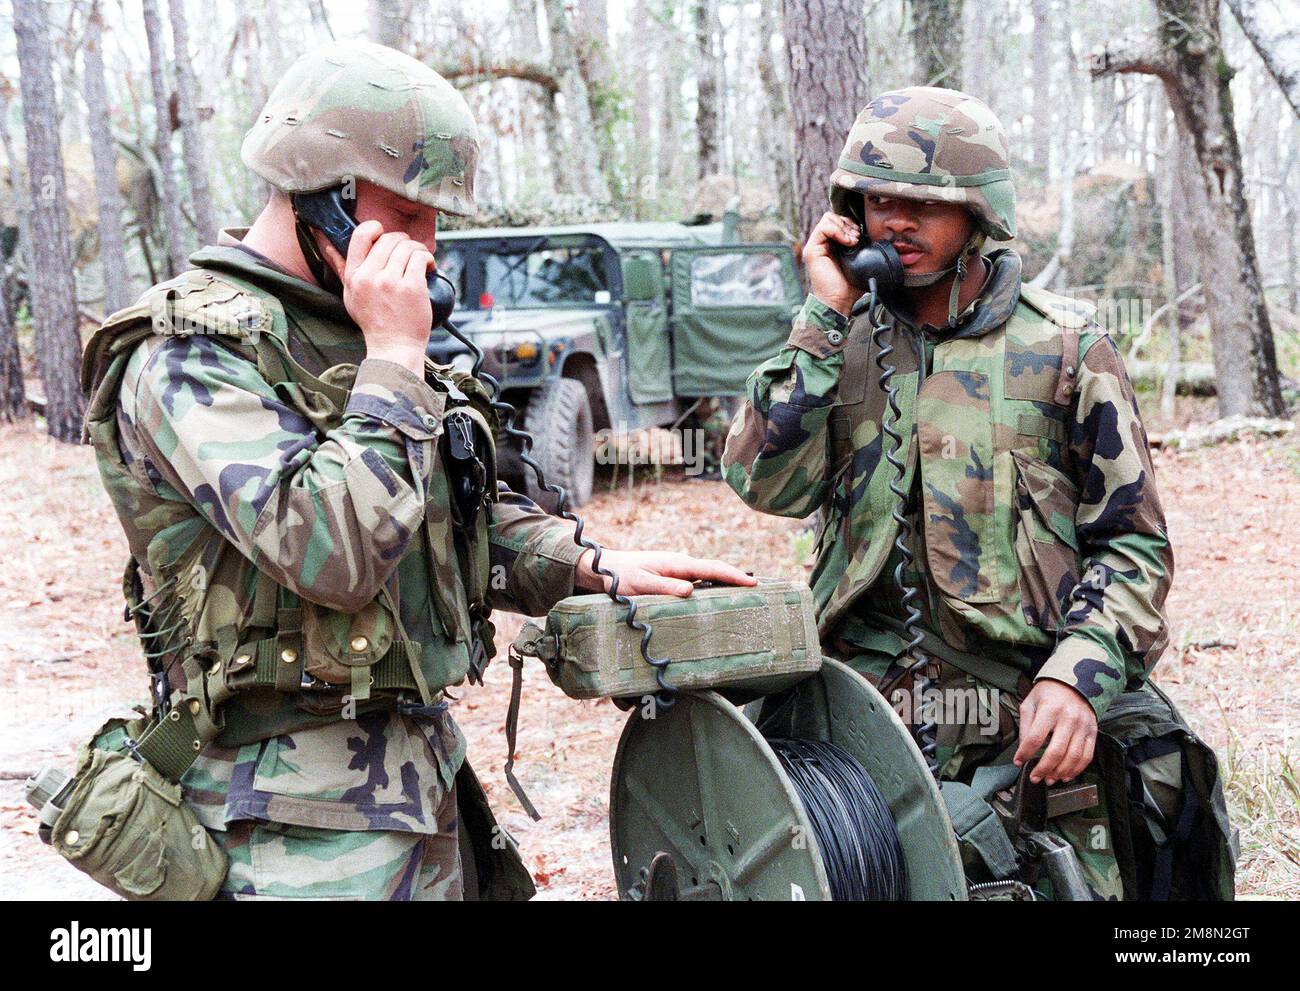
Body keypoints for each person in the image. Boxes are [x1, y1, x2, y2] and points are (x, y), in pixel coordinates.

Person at [81, 41, 753, 901]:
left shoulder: (362, 328)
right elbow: (332, 551)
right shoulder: (189, 358)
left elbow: (455, 519)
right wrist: (395, 354)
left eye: (437, 220)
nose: (429, 250)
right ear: (320, 196)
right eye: (404, 216)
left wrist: (592, 567)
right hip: (285, 834)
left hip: (421, 791)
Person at [723, 87, 1232, 899]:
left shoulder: (1065, 347)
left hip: (1022, 717)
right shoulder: (838, 339)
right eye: (877, 198)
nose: (895, 220)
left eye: (925, 202)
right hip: (860, 721)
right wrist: (822, 316)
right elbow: (760, 479)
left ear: (979, 211)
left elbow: (1134, 546)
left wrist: (1080, 672)